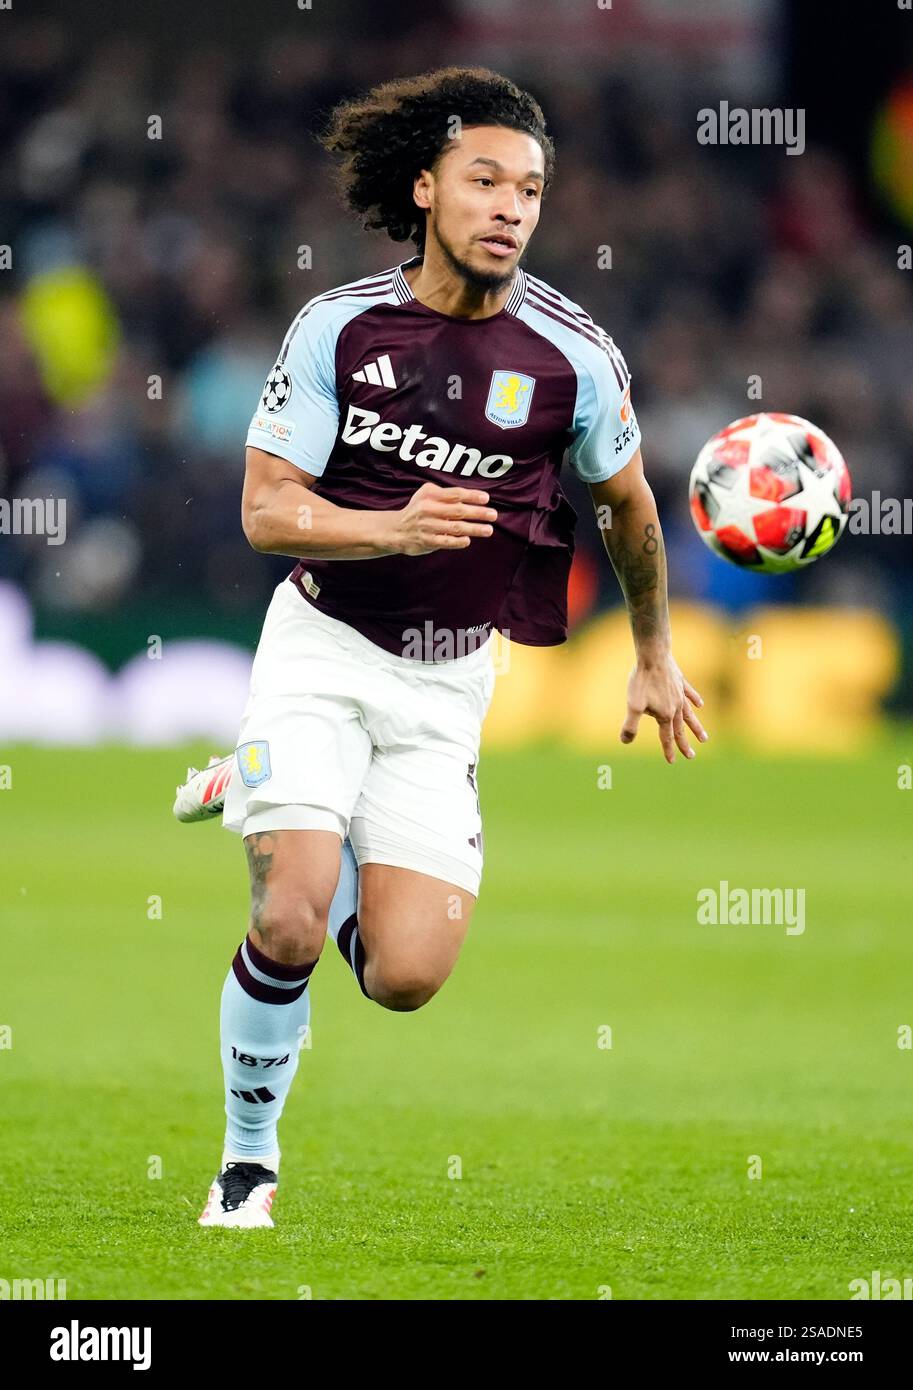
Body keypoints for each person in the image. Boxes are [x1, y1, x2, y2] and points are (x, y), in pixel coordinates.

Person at [185, 67, 707, 1228]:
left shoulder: (572, 356)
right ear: (425, 190)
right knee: (286, 917)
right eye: (483, 180)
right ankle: (246, 1162)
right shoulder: (340, 326)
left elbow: (625, 505)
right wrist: (393, 526)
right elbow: (267, 511)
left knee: (405, 977)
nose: (509, 206)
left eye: (528, 188)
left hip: (447, 678)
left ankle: (286, 800)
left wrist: (653, 651)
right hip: (322, 645)